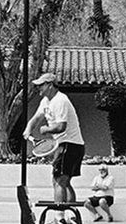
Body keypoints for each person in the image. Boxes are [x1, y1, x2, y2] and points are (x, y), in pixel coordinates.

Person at [23, 72, 85, 205]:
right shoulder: (45, 101)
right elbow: (36, 118)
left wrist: (46, 129)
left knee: (59, 181)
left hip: (69, 144)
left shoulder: (61, 100)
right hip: (67, 144)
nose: (38, 88)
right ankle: (71, 214)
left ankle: (60, 215)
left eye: (41, 85)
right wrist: (28, 129)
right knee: (64, 182)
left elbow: (61, 126)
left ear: (50, 85)